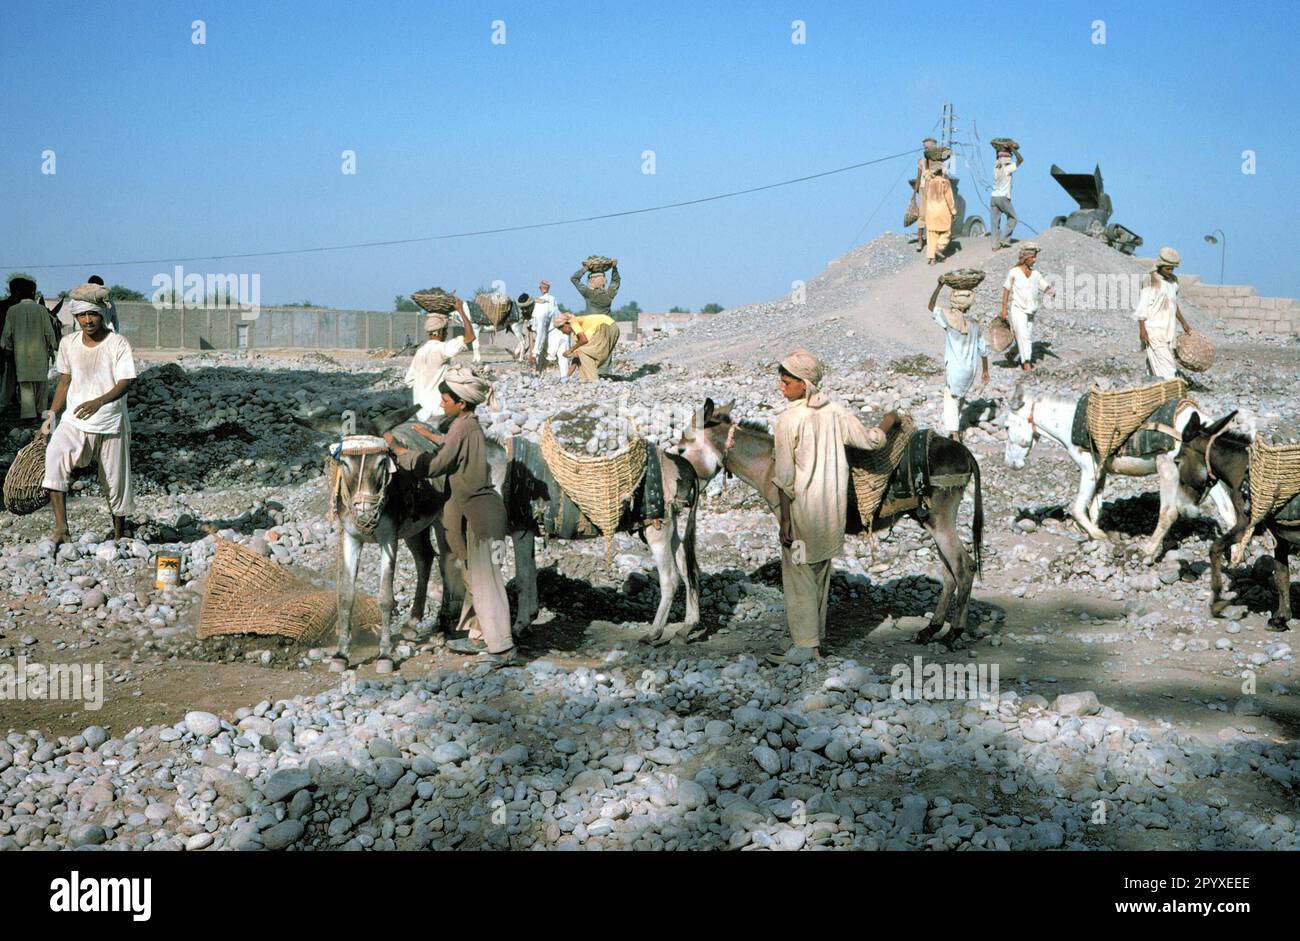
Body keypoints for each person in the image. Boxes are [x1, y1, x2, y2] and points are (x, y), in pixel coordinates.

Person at [384, 365, 518, 666]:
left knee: (487, 582)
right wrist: (429, 436)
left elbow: (435, 467)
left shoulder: (461, 427)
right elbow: (455, 451)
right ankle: (482, 636)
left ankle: (503, 649)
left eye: (445, 400)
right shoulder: (469, 424)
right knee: (478, 577)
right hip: (482, 513)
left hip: (483, 516)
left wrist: (400, 451)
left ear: (460, 403)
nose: (441, 405)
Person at [771, 350, 899, 664]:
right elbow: (871, 441)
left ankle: (804, 646)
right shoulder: (836, 412)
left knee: (799, 573)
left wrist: (785, 520)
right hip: (831, 512)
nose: (781, 387)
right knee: (820, 572)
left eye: (787, 382)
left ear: (804, 384)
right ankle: (815, 640)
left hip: (802, 512)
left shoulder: (788, 420)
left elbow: (785, 477)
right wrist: (888, 421)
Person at [40, 288, 137, 544]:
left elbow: (126, 381)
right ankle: (62, 528)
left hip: (110, 421)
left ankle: (119, 532)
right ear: (76, 317)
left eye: (93, 314)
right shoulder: (68, 344)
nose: (88, 320)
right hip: (74, 420)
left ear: (103, 314)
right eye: (82, 315)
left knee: (116, 480)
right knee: (55, 458)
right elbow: (64, 382)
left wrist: (99, 401)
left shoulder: (118, 343)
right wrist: (50, 417)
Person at [927, 279, 989, 440]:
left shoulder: (950, 320)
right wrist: (986, 371)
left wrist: (939, 285)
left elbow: (930, 306)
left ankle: (954, 435)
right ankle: (956, 426)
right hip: (970, 370)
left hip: (956, 368)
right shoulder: (974, 324)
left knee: (950, 397)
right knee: (959, 395)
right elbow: (983, 349)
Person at [404, 299, 475, 422]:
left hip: (421, 413)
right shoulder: (441, 349)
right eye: (446, 331)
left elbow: (409, 380)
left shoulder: (420, 352)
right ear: (440, 331)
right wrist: (461, 310)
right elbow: (470, 337)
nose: (446, 334)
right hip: (438, 411)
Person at [0, 276, 59, 419]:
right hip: (40, 356)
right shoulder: (42, 310)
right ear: (34, 294)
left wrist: (6, 348)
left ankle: (28, 415)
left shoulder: (12, 311)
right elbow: (49, 332)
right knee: (42, 385)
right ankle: (41, 412)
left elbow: (6, 334)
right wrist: (54, 347)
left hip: (20, 356)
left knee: (26, 386)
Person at [1134, 246, 1191, 380]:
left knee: (1162, 361)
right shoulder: (1151, 280)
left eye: (1172, 269)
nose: (1170, 271)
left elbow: (1173, 304)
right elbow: (1142, 306)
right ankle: (1170, 389)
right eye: (1167, 268)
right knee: (1168, 367)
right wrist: (1142, 329)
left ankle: (1156, 390)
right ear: (1160, 266)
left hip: (1168, 330)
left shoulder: (1173, 282)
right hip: (1153, 328)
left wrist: (1184, 323)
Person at [999, 243, 1054, 371]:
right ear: (1026, 258)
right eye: (1033, 257)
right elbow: (1006, 289)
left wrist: (1052, 292)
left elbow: (1044, 286)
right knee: (1024, 336)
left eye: (1035, 257)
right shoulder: (1014, 272)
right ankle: (1026, 363)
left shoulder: (1036, 274)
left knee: (1025, 336)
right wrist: (1004, 309)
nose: (1035, 260)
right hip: (1018, 308)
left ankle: (1012, 354)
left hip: (1031, 310)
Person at [556, 311, 620, 381]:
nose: (562, 332)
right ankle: (587, 379)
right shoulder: (577, 335)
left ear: (565, 324)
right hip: (612, 326)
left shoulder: (573, 322)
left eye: (561, 329)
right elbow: (577, 358)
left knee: (582, 352)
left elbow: (584, 340)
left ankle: (592, 379)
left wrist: (570, 350)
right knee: (581, 353)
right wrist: (567, 376)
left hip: (604, 326)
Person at [989, 146, 1023, 249]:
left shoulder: (995, 167)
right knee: (1013, 218)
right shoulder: (1008, 168)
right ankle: (1004, 239)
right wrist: (1013, 149)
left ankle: (995, 245)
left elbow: (997, 157)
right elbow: (1021, 160)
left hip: (993, 198)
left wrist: (998, 149)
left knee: (995, 223)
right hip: (1003, 198)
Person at [924, 166, 956, 265]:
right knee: (946, 231)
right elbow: (949, 199)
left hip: (930, 211)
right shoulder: (945, 182)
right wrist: (953, 212)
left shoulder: (928, 182)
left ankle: (932, 258)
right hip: (942, 210)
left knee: (931, 234)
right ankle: (939, 248)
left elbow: (926, 175)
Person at [913, 137, 938, 253]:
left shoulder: (938, 161)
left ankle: (933, 240)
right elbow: (918, 178)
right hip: (923, 189)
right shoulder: (921, 161)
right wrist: (914, 194)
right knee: (922, 214)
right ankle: (920, 240)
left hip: (934, 189)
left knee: (934, 214)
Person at [530, 279, 559, 371]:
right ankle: (541, 368)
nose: (544, 288)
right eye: (543, 287)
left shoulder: (548, 299)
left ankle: (540, 367)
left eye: (545, 287)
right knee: (545, 347)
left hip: (546, 327)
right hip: (548, 328)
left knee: (542, 346)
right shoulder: (542, 300)